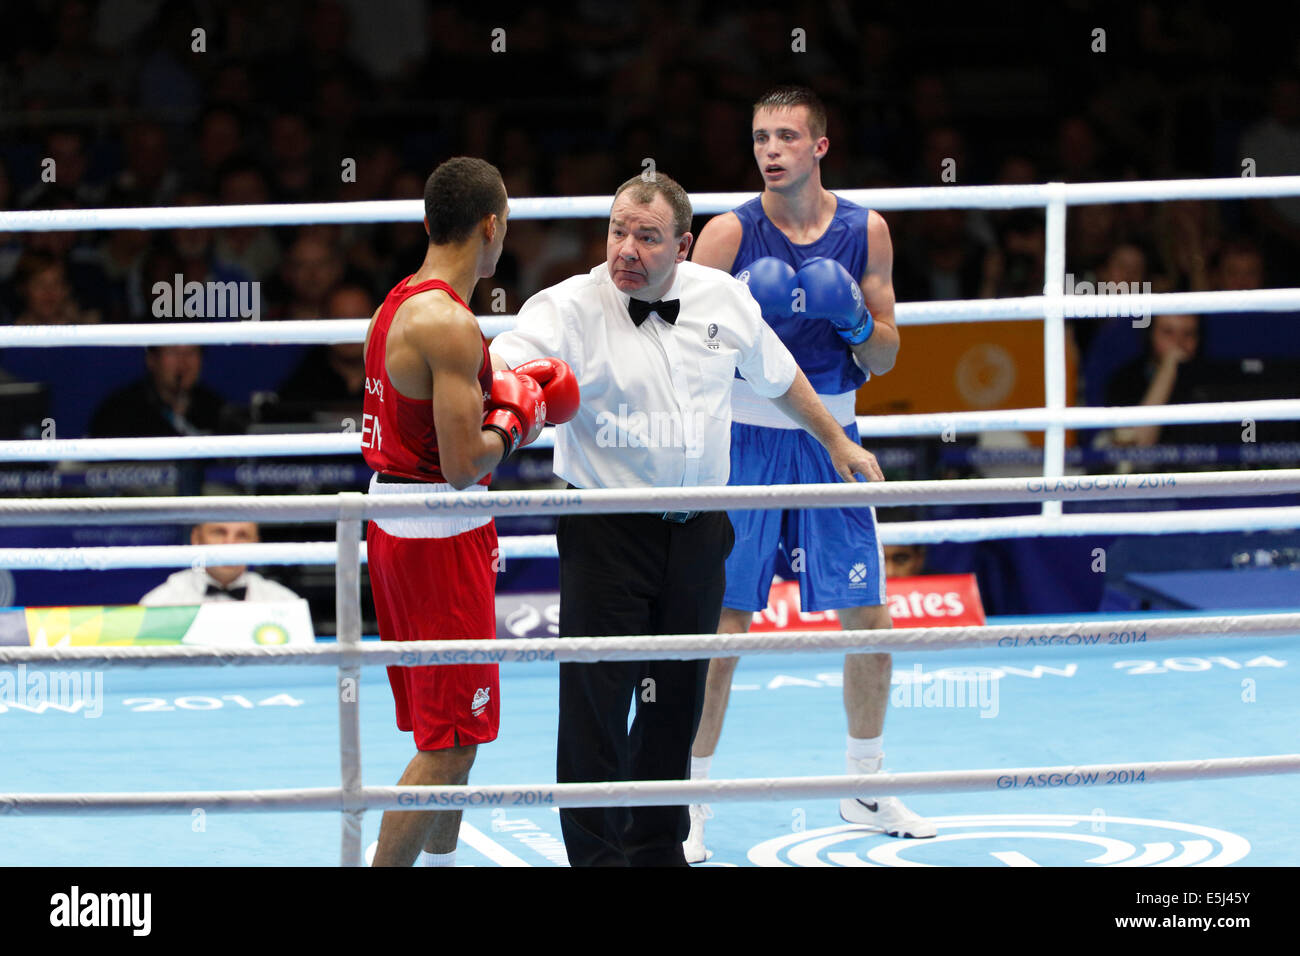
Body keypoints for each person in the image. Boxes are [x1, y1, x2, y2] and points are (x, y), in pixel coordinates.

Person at [489, 171, 883, 867]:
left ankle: (656, 849)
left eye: (647, 236)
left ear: (684, 245)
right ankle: (594, 859)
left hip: (701, 530)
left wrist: (835, 438)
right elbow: (505, 360)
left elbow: (778, 371)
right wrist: (507, 403)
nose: (627, 250)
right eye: (618, 231)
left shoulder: (722, 298)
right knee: (597, 700)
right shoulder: (569, 307)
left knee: (674, 695)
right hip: (605, 529)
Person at [684, 85, 933, 863]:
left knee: (868, 613)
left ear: (819, 146)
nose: (771, 149)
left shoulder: (868, 230)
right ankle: (689, 802)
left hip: (837, 435)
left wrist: (855, 318)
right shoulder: (728, 234)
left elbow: (886, 353)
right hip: (747, 436)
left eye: (788, 135)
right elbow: (679, 346)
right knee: (724, 625)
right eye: (761, 136)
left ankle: (865, 782)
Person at [362, 156, 577, 868]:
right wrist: (523, 416)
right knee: (449, 743)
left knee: (457, 728)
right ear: (492, 227)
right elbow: (464, 465)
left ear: (428, 223)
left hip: (403, 523)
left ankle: (446, 861)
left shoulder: (399, 300)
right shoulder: (449, 324)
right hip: (437, 531)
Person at [139, 522, 301, 604]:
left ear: (255, 544)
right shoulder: (160, 602)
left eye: (242, 535)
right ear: (196, 538)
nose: (230, 543)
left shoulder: (284, 601)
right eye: (219, 532)